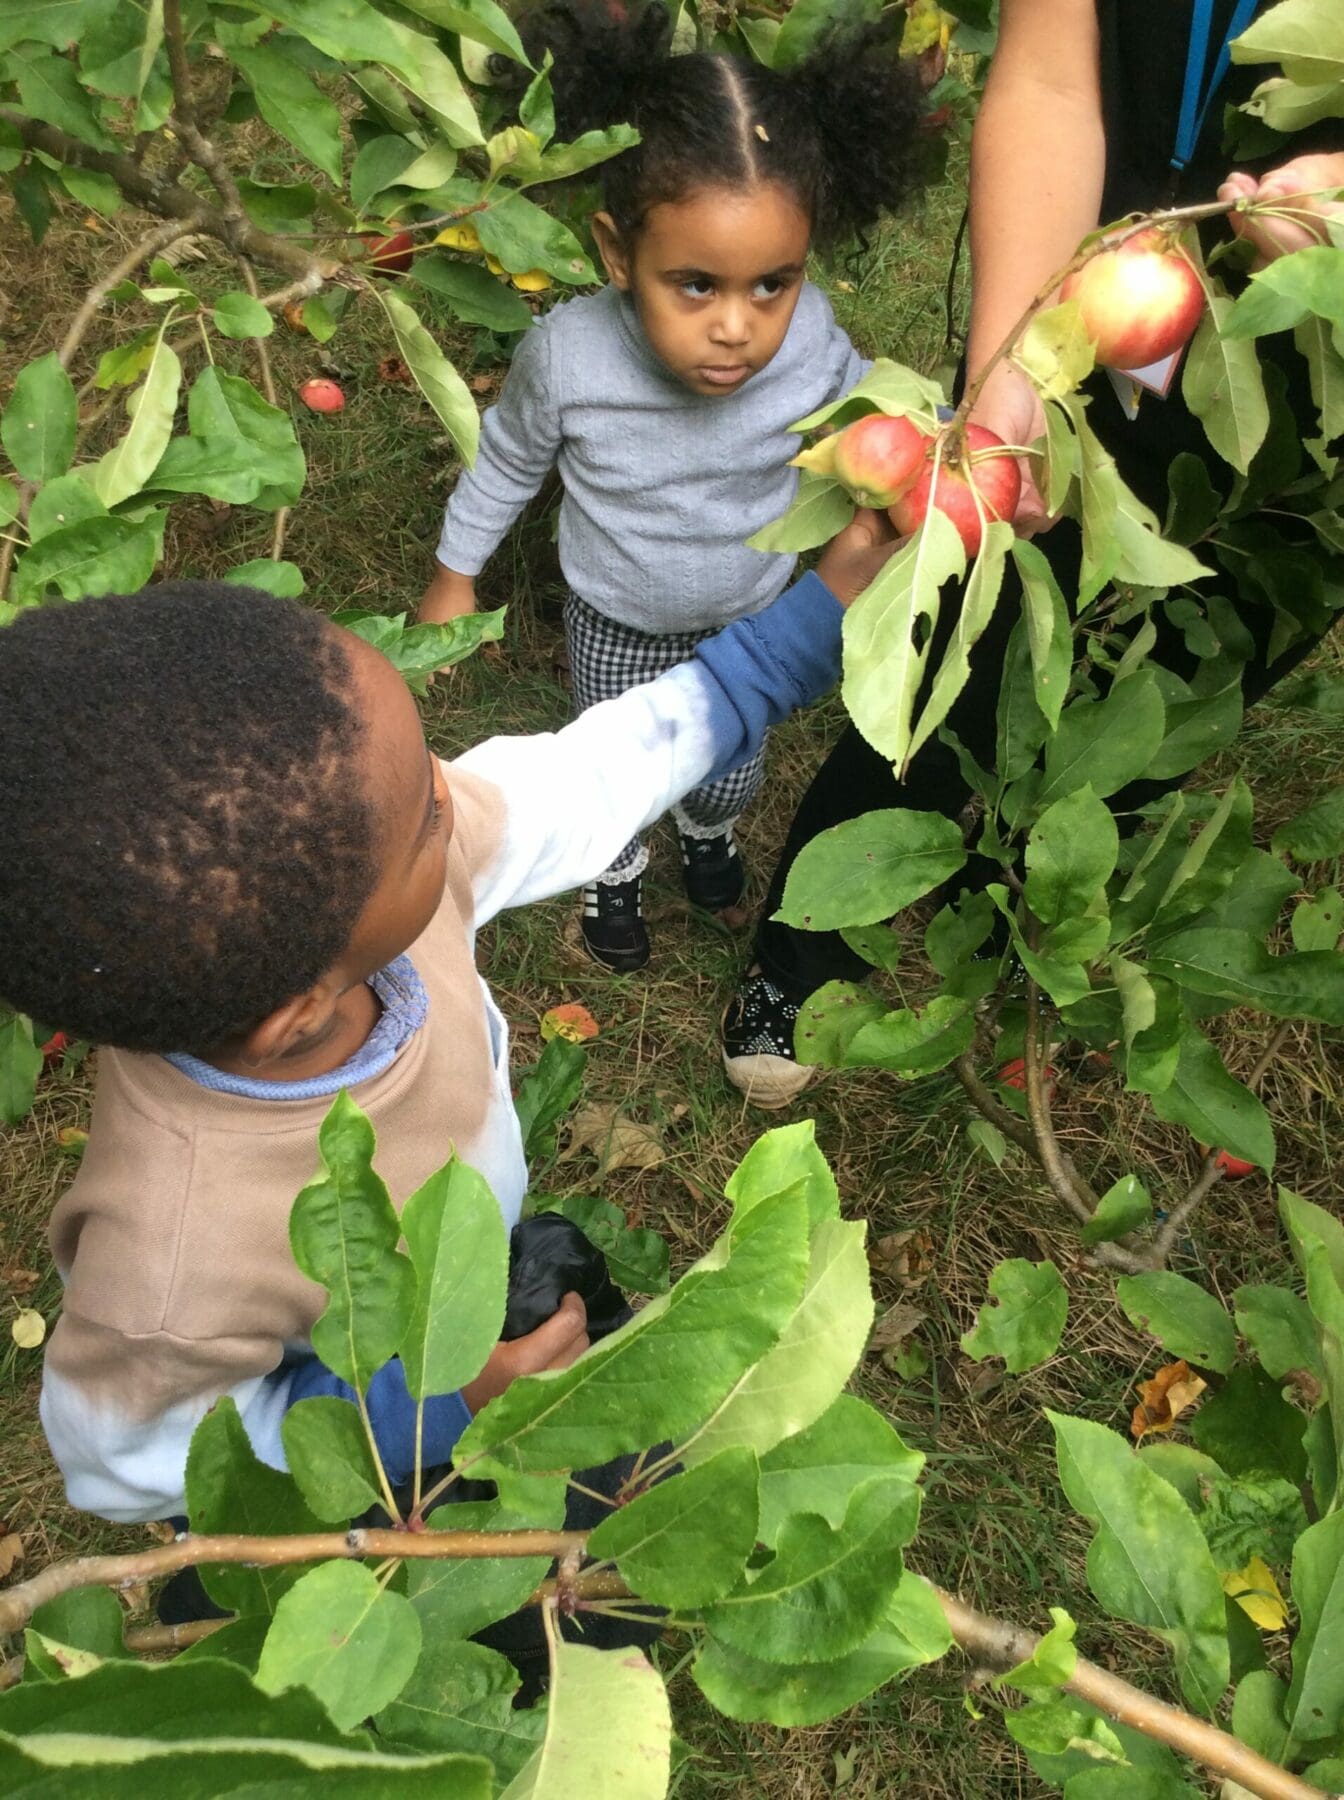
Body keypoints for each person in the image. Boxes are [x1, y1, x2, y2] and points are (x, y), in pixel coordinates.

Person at [0, 514, 892, 1527]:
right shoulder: (167, 1272)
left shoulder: (339, 897)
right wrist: (428, 1408)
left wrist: (798, 636)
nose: (449, 793)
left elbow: (577, 780)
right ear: (300, 1013)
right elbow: (132, 1467)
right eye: (427, 816)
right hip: (386, 1449)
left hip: (477, 1269)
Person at [720, 0, 1344, 1108]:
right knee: (960, 637)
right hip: (1097, 281)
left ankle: (1027, 934)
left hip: (1312, 400)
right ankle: (808, 947)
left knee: (1192, 666)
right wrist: (1007, 378)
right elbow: (1054, 81)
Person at [418, 13, 925, 972]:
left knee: (728, 768)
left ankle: (709, 832)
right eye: (695, 285)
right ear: (618, 254)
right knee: (615, 768)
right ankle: (613, 871)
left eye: (772, 284)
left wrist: (930, 438)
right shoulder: (569, 358)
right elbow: (507, 461)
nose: (737, 326)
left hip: (748, 621)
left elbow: (873, 409)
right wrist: (454, 575)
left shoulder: (809, 342)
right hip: (617, 620)